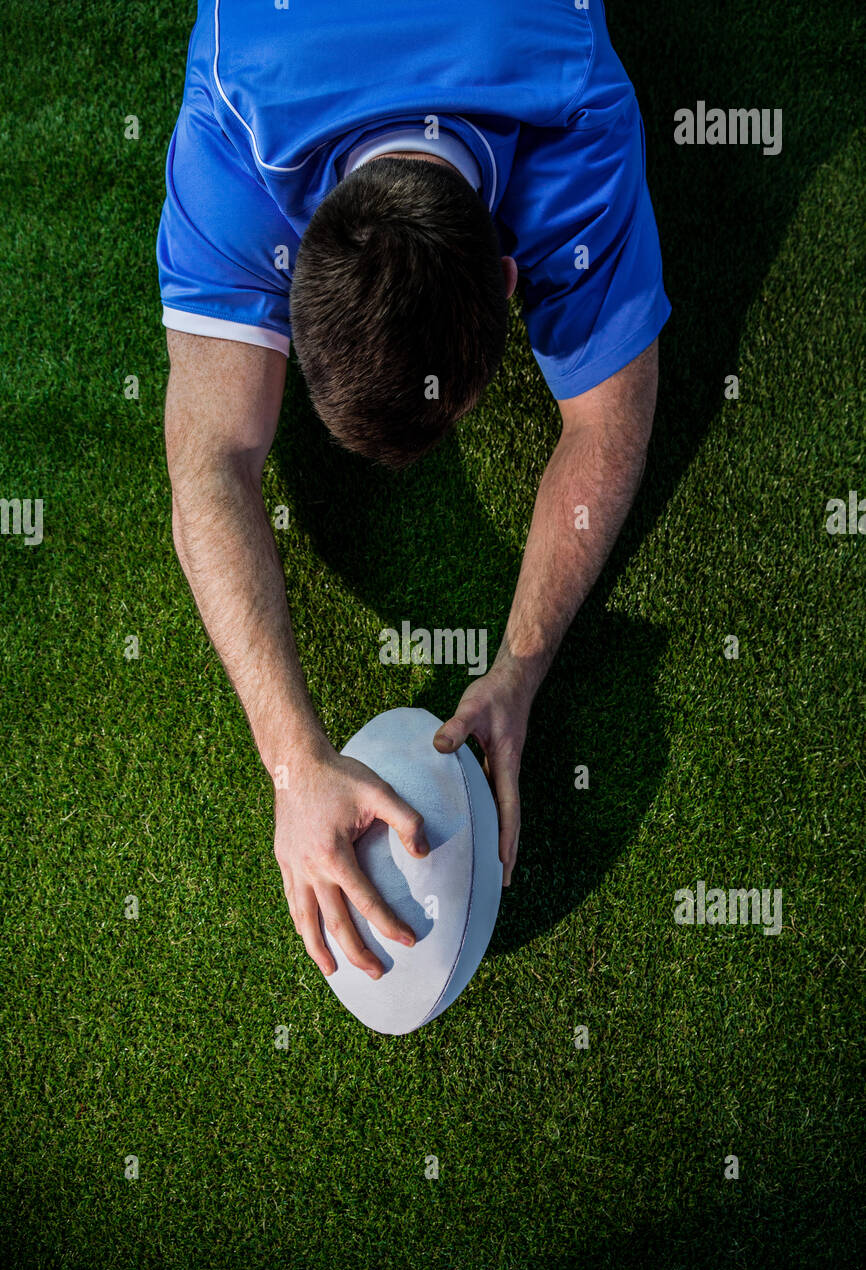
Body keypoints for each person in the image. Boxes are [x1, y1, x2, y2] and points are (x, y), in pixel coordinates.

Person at [158, 0, 670, 982]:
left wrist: (520, 666)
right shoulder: (234, 93)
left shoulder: (577, 108)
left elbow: (611, 421)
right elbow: (208, 462)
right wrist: (290, 760)